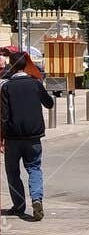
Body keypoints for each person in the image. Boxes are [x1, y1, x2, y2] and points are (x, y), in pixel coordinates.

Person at [0, 52, 55, 222]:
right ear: (25, 66)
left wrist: (1, 138)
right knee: (34, 168)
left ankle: (19, 205)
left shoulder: (6, 87)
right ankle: (37, 199)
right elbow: (49, 103)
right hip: (33, 136)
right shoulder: (35, 84)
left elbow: (3, 115)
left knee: (13, 171)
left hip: (12, 137)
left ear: (11, 66)